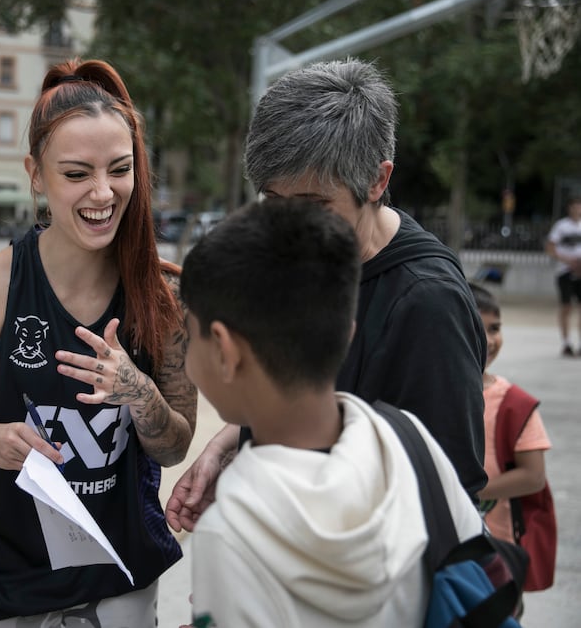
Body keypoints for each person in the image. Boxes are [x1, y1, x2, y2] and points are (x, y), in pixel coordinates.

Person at [166, 58, 487, 533]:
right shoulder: (289, 259)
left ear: (378, 181)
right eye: (274, 202)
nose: (290, 227)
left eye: (315, 206)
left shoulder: (426, 305)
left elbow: (446, 494)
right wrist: (232, 442)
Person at [0, 58, 197, 626]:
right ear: (35, 173)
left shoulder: (165, 293)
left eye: (120, 169)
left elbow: (175, 446)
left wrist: (140, 393)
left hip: (119, 579)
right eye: (77, 173)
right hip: (0, 583)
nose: (103, 193)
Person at [180, 198, 484, 626]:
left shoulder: (231, 532)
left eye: (189, 337)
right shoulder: (412, 443)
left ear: (225, 351)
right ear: (347, 332)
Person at [470, 282, 555, 597]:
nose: (491, 340)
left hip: (501, 550)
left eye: (496, 328)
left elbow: (533, 476)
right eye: (481, 329)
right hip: (446, 544)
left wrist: (467, 493)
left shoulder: (514, 403)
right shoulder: (430, 394)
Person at [544, 194, 581, 356]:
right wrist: (567, 260)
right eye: (575, 206)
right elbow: (551, 248)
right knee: (566, 306)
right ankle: (566, 342)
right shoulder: (561, 226)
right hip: (564, 271)